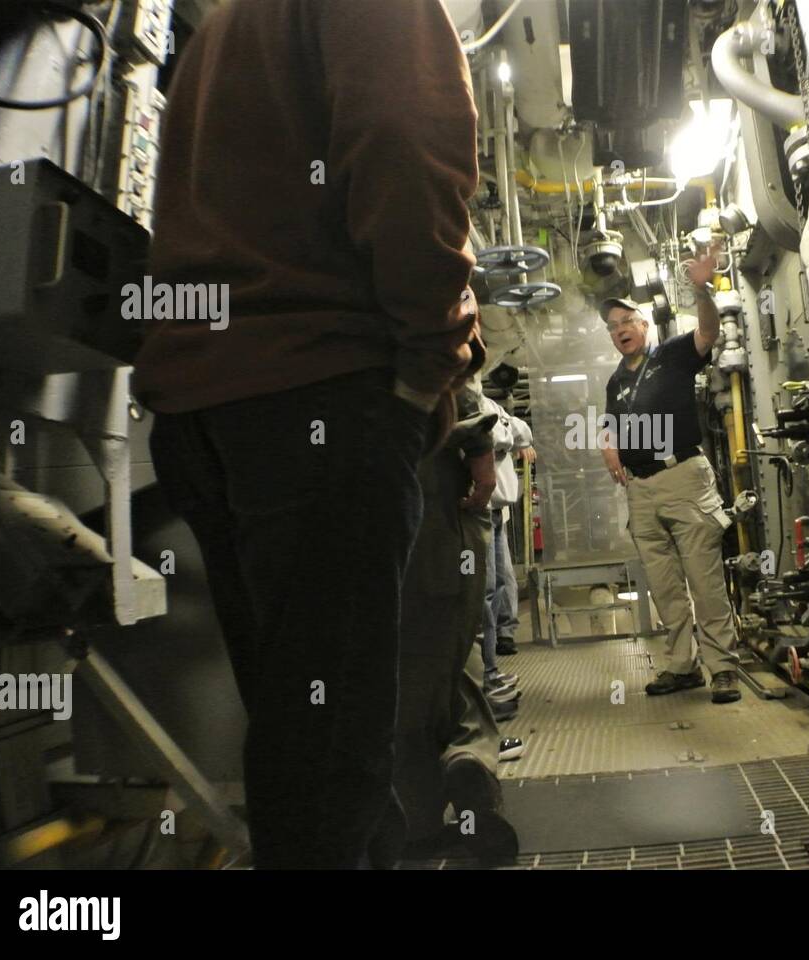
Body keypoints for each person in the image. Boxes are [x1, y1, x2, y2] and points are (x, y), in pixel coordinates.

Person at [131, 0, 480, 868]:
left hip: (207, 410)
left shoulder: (218, 30)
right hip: (319, 392)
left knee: (304, 722)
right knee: (328, 750)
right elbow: (406, 146)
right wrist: (428, 363)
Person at [373, 382, 519, 865]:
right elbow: (450, 361)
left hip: (357, 489)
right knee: (457, 643)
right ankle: (469, 758)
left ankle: (416, 816)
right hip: (435, 484)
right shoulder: (417, 309)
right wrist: (480, 460)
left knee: (397, 660)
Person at [600, 248, 742, 703]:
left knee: (704, 579)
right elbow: (611, 422)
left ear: (643, 325)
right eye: (612, 326)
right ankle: (683, 666)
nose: (620, 330)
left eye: (626, 321)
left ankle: (723, 668)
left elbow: (708, 331)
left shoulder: (674, 354)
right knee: (664, 585)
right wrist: (608, 442)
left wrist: (701, 287)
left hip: (682, 475)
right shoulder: (615, 381)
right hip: (640, 489)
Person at [480, 398, 535, 678]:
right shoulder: (465, 398)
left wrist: (503, 430)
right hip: (480, 508)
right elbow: (490, 435)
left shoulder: (488, 403)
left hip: (498, 508)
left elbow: (523, 432)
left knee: (501, 579)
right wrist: (505, 432)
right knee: (486, 589)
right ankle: (486, 669)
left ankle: (502, 637)